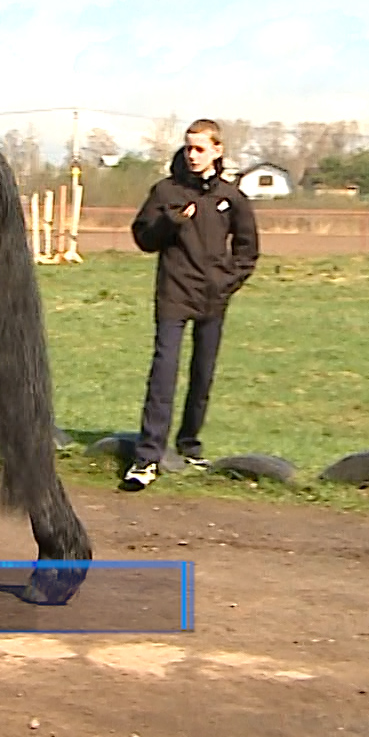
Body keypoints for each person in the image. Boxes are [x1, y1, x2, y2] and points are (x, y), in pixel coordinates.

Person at [122, 119, 259, 492]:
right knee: (163, 374)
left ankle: (190, 445)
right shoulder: (166, 192)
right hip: (173, 295)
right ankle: (147, 458)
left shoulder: (232, 199)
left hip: (212, 299)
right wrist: (171, 222)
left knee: (202, 375)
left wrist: (225, 283)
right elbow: (144, 238)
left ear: (217, 150)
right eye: (188, 148)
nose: (192, 155)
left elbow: (248, 251)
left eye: (200, 148)